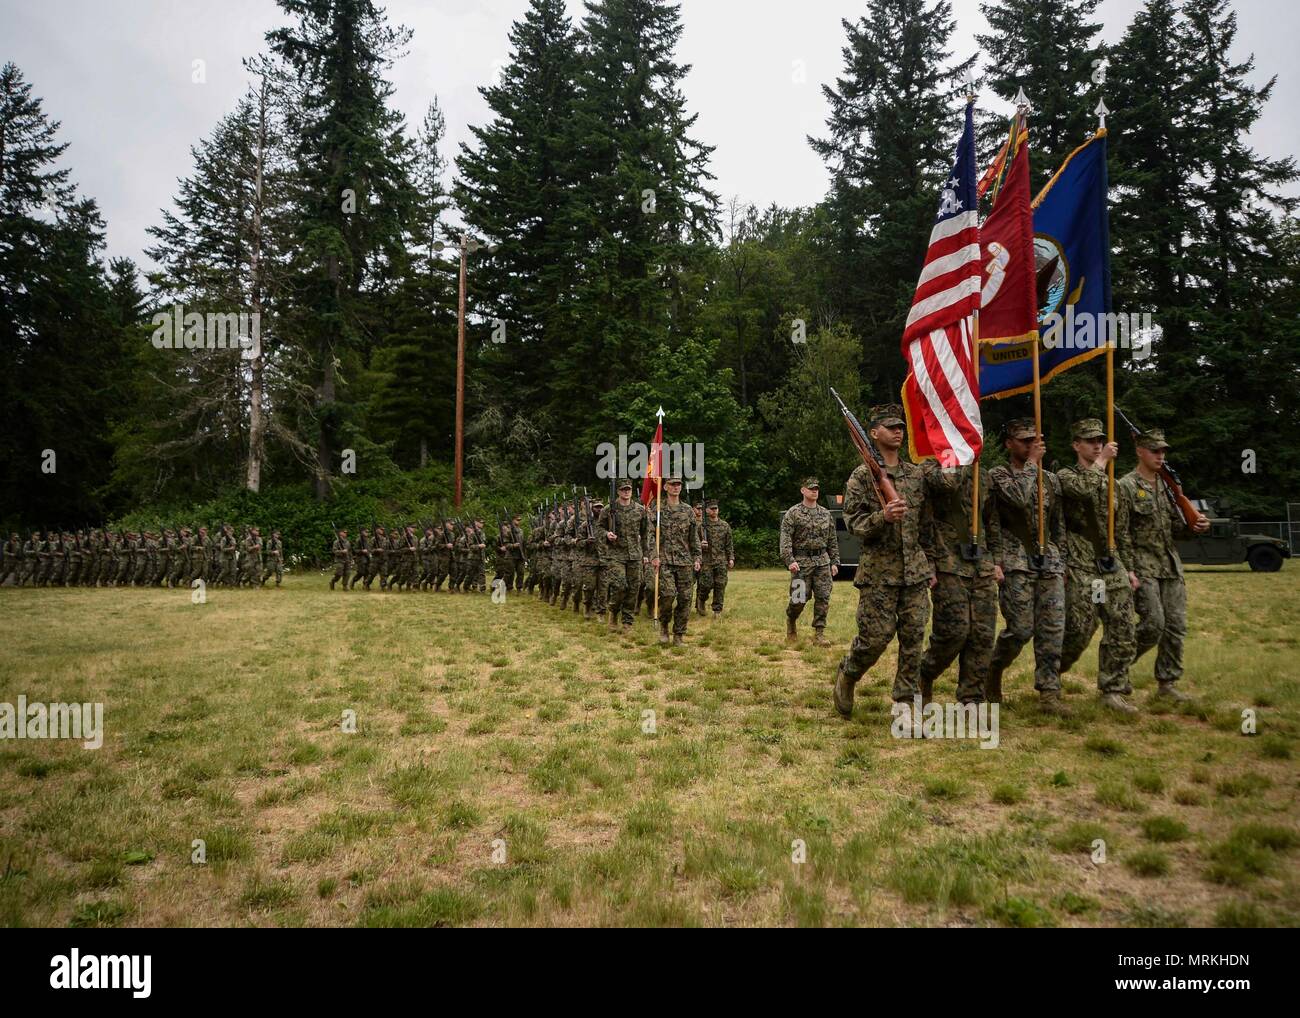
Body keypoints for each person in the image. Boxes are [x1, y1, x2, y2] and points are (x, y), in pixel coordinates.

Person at [833, 405, 933, 718]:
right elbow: (852, 523)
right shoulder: (862, 477)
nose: (898, 431)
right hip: (879, 572)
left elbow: (926, 525)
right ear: (874, 434)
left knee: (914, 637)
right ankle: (849, 673)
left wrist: (930, 564)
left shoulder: (915, 475)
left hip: (914, 571)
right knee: (875, 638)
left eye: (901, 426)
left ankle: (906, 702)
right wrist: (882, 517)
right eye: (890, 427)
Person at [1118, 427, 1210, 702]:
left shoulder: (1169, 488)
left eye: (1163, 451)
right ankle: (1117, 667)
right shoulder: (1127, 486)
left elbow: (1176, 529)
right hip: (1142, 566)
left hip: (1170, 566)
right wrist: (1128, 568)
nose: (1160, 455)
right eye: (1154, 450)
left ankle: (1167, 684)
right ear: (1140, 451)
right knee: (1153, 624)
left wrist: (1196, 525)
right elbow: (1120, 532)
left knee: (1176, 626)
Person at [985, 419, 1068, 714]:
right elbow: (1018, 500)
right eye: (1025, 440)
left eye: (1036, 439)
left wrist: (1063, 560)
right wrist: (1033, 463)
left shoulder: (1051, 480)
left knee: (1052, 630)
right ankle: (994, 669)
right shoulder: (998, 475)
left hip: (1049, 562)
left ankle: (1049, 692)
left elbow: (1058, 523)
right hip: (1015, 560)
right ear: (1009, 444)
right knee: (1020, 629)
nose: (1032, 445)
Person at [1058, 419, 1139, 713]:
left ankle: (1113, 688)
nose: (1096, 445)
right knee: (1081, 628)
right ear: (1076, 445)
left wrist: (1128, 567)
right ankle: (1053, 673)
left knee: (1122, 626)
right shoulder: (1065, 476)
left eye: (1100, 440)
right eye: (1090, 440)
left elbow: (1122, 530)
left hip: (1111, 565)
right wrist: (1103, 460)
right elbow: (1081, 490)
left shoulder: (1112, 483)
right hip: (1082, 564)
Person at [917, 458, 996, 705]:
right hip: (947, 562)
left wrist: (998, 559)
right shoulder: (930, 468)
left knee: (982, 635)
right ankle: (925, 671)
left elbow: (991, 520)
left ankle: (971, 698)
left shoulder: (982, 475)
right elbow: (947, 484)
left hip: (981, 565)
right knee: (955, 631)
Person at [779, 478, 838, 646]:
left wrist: (834, 561)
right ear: (803, 490)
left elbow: (832, 539)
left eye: (817, 488)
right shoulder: (793, 513)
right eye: (811, 488)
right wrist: (789, 559)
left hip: (822, 562)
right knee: (799, 599)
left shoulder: (826, 514)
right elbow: (785, 539)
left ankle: (819, 634)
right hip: (801, 562)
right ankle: (791, 620)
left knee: (823, 597)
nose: (814, 491)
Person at [650, 474, 701, 645]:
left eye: (678, 484)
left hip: (684, 561)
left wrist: (697, 557)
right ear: (665, 487)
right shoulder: (657, 508)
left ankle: (679, 634)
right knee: (668, 594)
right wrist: (654, 556)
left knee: (686, 598)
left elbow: (694, 537)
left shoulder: (688, 511)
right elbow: (650, 535)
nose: (676, 487)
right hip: (664, 560)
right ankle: (664, 626)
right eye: (672, 484)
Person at [696, 498, 734, 617]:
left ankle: (717, 610)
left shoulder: (724, 526)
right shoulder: (701, 526)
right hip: (706, 560)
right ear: (706, 510)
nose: (714, 511)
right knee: (706, 584)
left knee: (720, 584)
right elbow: (694, 542)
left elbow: (729, 544)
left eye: (716, 508)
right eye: (712, 509)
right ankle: (701, 599)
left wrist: (731, 558)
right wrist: (700, 545)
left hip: (721, 560)